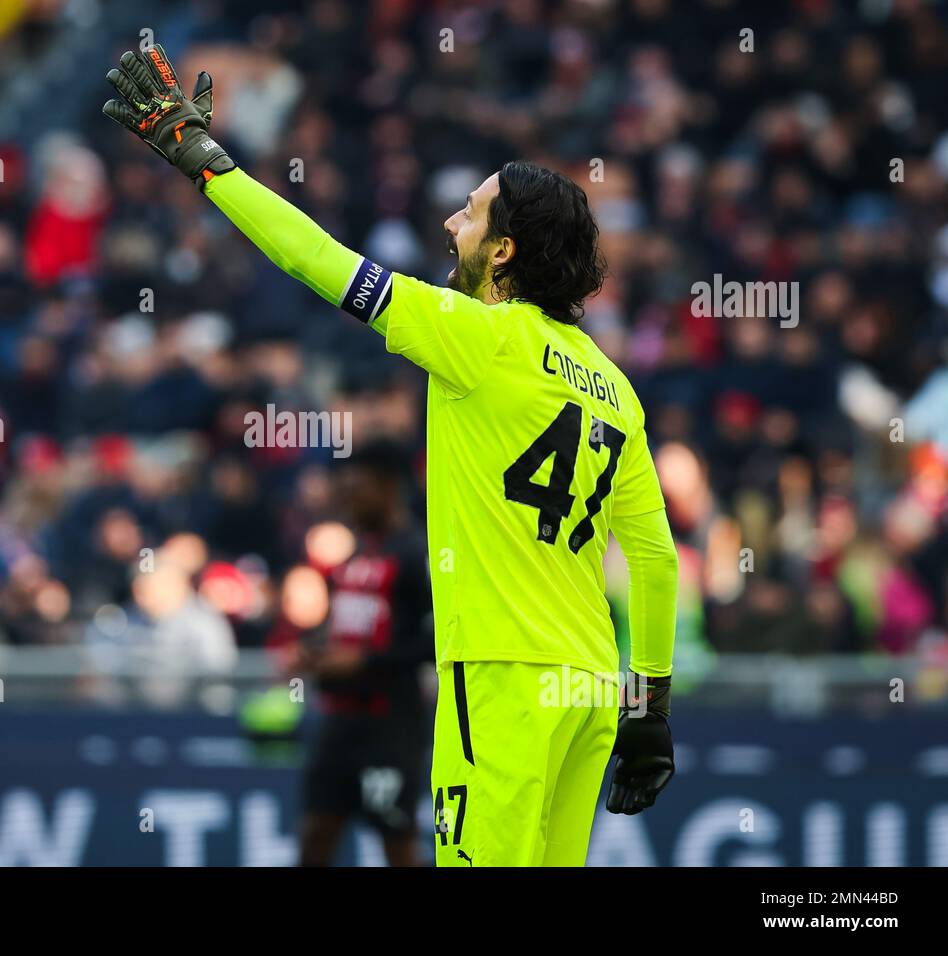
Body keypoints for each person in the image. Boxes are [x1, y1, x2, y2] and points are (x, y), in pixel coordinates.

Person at [102, 45, 680, 866]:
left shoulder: (474, 335)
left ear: (506, 251)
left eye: (471, 212)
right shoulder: (616, 388)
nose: (452, 223)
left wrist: (205, 164)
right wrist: (649, 709)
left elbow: (315, 260)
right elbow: (655, 561)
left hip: (503, 678)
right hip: (588, 686)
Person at [271, 441, 432, 866]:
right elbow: (354, 629)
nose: (346, 502)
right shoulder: (356, 553)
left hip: (390, 727)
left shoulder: (417, 554)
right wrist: (317, 653)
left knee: (396, 843)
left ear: (388, 489)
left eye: (356, 490)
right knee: (315, 835)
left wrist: (365, 663)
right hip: (338, 723)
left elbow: (439, 641)